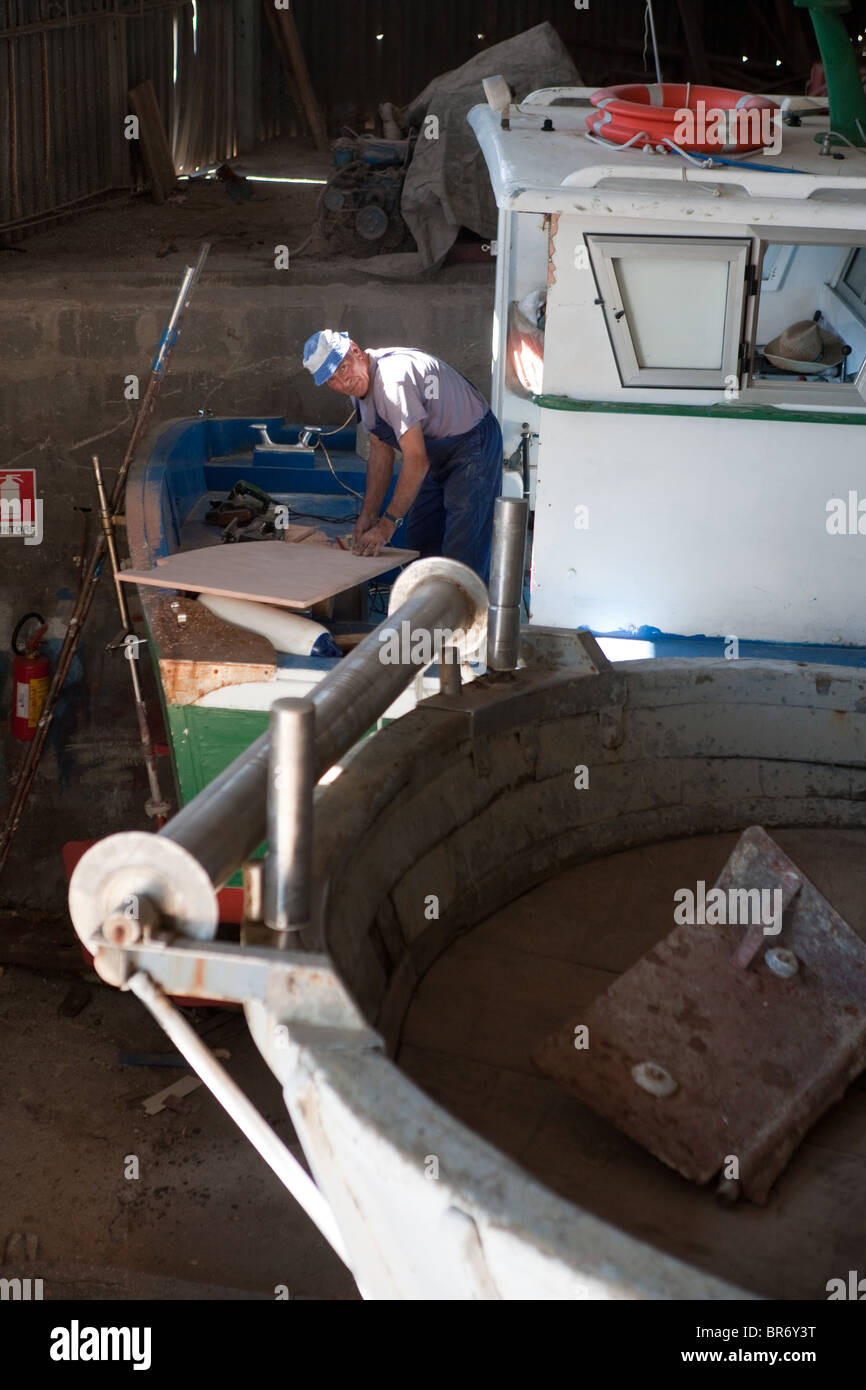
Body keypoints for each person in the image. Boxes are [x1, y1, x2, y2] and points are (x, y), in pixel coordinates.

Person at [302, 330, 502, 583]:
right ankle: (430, 618)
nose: (343, 381)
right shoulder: (361, 385)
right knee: (420, 540)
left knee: (463, 550)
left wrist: (386, 526)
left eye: (343, 368)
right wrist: (369, 515)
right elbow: (380, 449)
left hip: (472, 443)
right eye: (332, 379)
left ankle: (468, 620)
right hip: (435, 449)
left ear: (355, 350)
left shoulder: (391, 381)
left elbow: (417, 461)